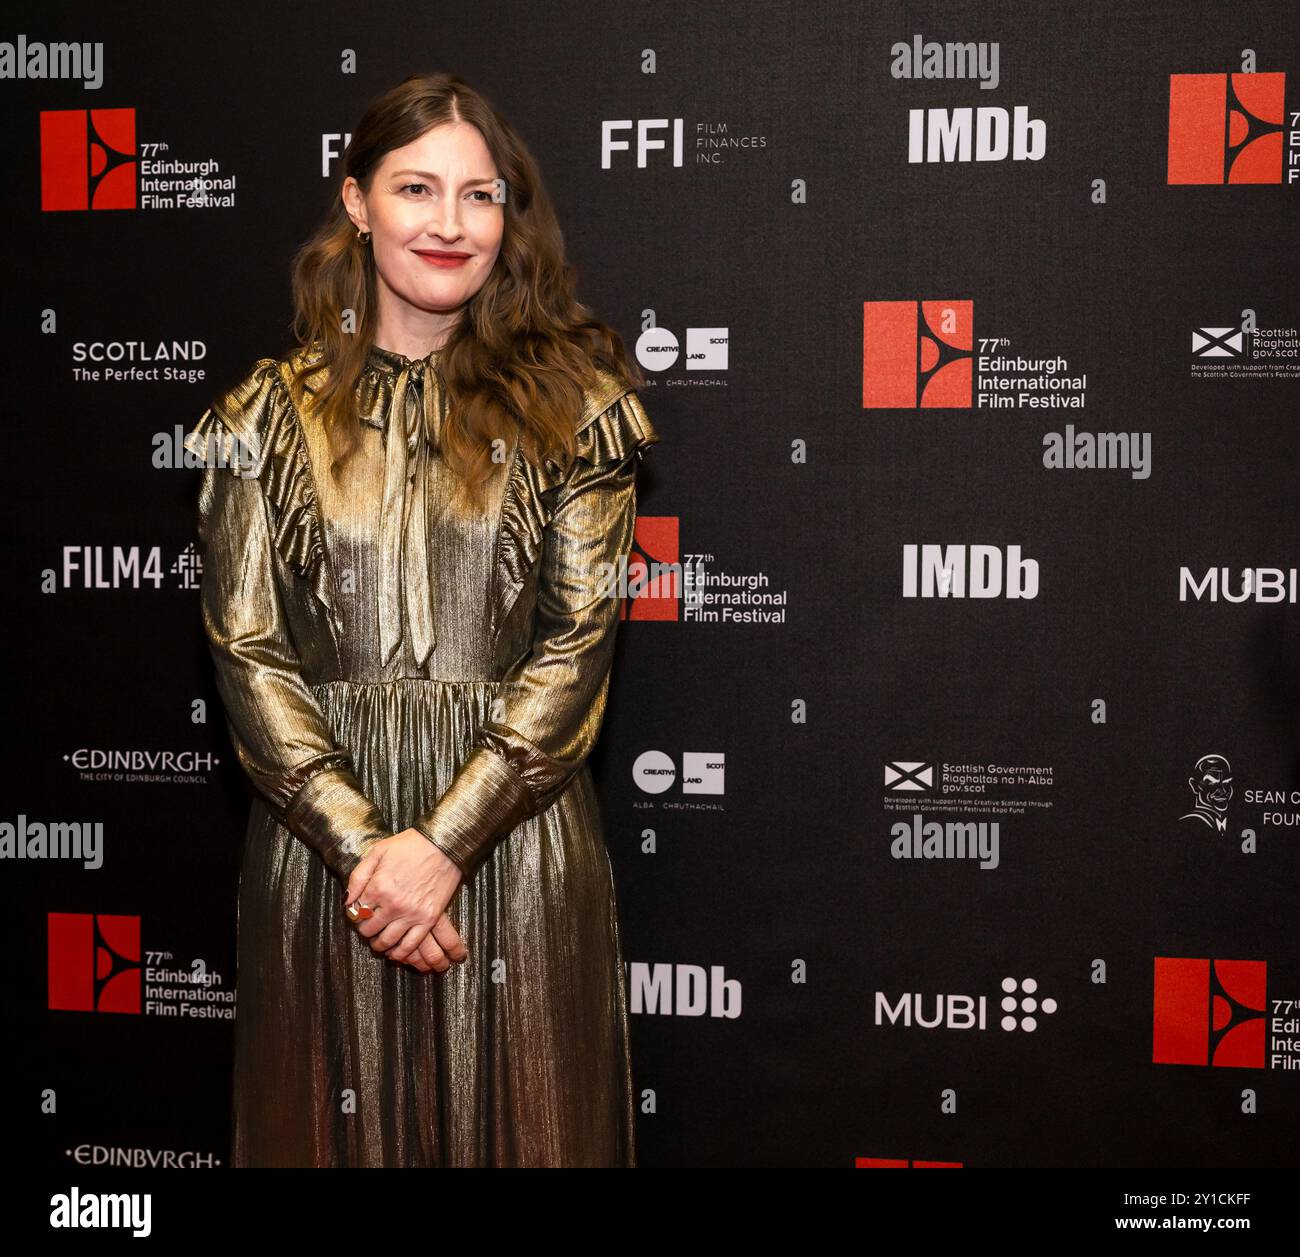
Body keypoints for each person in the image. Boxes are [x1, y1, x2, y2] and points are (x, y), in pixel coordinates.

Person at [184, 71, 659, 1167]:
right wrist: (369, 853)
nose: (448, 225)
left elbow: (578, 645)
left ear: (510, 216)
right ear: (356, 203)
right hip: (325, 862)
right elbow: (248, 651)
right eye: (415, 189)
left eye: (479, 196)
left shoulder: (579, 406)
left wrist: (440, 846)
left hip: (515, 841)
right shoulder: (262, 417)